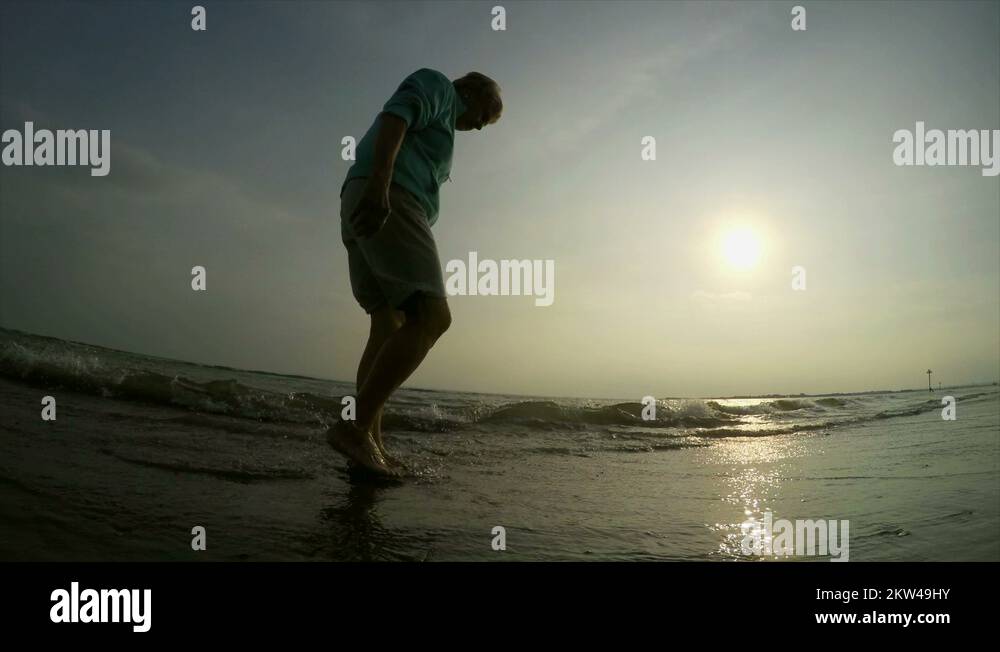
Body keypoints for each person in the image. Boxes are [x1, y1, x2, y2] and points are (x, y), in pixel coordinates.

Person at [327, 68, 503, 476]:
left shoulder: (444, 123)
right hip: (389, 196)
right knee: (433, 318)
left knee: (387, 326)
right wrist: (381, 183)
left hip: (368, 198)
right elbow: (396, 116)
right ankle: (354, 429)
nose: (480, 125)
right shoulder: (438, 85)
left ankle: (369, 443)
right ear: (470, 91)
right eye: (486, 112)